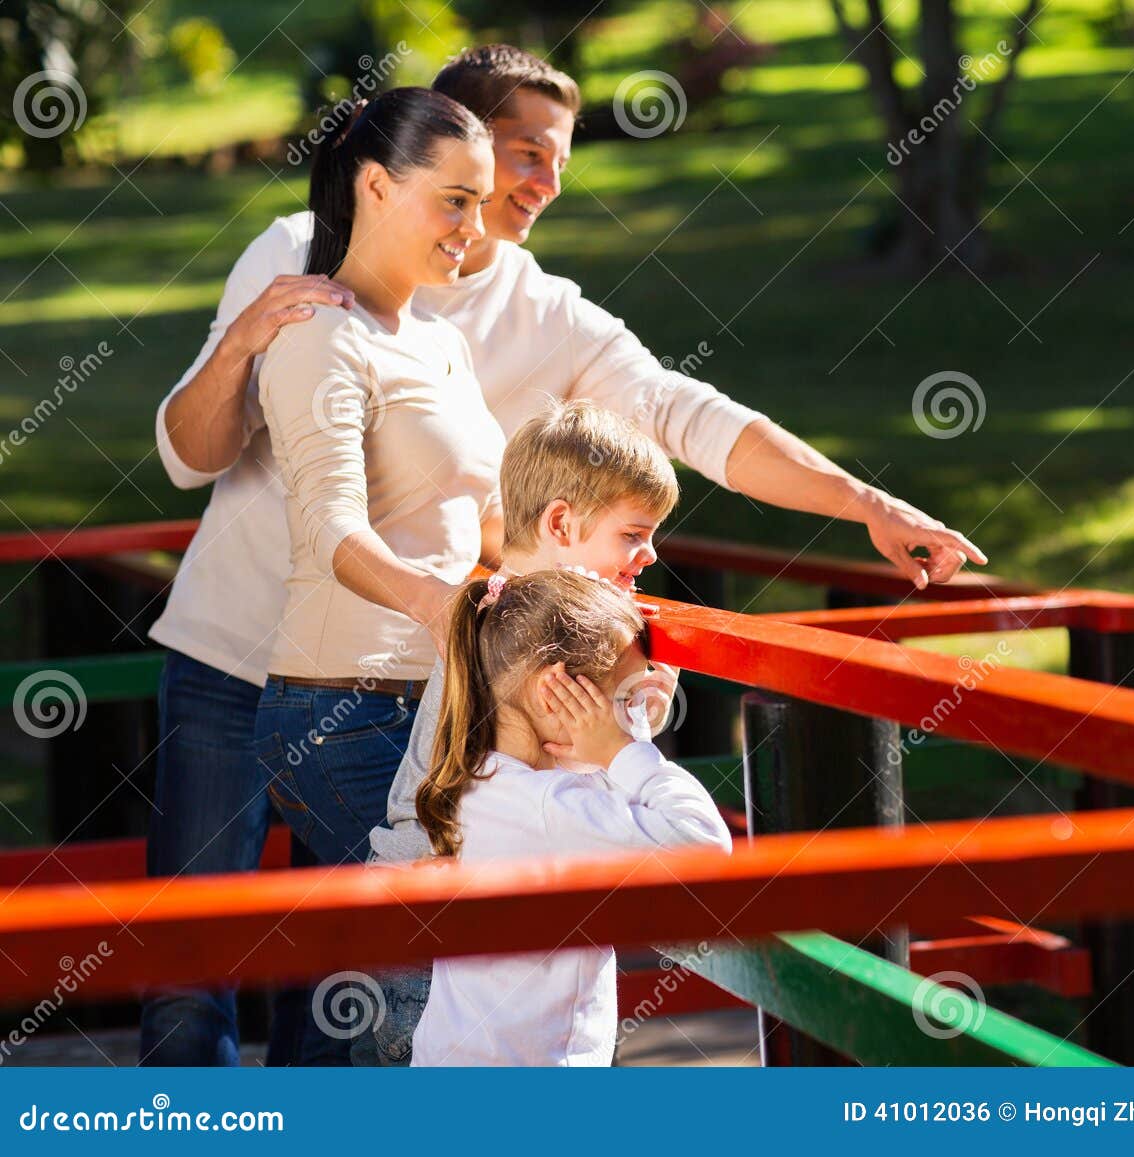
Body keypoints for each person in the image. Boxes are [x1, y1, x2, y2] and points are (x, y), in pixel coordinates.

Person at [144, 45, 981, 1066]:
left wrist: (863, 504)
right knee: (195, 971)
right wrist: (243, 341)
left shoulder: (526, 318)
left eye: (558, 161)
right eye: (525, 152)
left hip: (417, 683)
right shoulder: (298, 261)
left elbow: (676, 416)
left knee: (356, 982)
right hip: (242, 654)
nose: (543, 183)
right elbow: (192, 458)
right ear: (427, 146)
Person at [252, 85, 503, 1065]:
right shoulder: (319, 333)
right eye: (455, 200)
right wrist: (443, 606)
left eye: (481, 204)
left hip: (436, 704)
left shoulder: (441, 341)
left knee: (362, 989)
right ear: (376, 186)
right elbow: (330, 530)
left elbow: (483, 522)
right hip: (343, 714)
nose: (474, 227)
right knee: (430, 980)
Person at [356, 399, 681, 1066]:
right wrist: (639, 720)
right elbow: (583, 773)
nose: (650, 554)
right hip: (447, 948)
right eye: (632, 535)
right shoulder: (543, 641)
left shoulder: (497, 614)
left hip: (415, 926)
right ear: (561, 522)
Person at [409, 570, 732, 1066]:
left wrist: (627, 730)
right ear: (554, 694)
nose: (631, 718)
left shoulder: (488, 778)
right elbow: (704, 847)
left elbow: (600, 795)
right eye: (624, 701)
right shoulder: (546, 805)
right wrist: (628, 751)